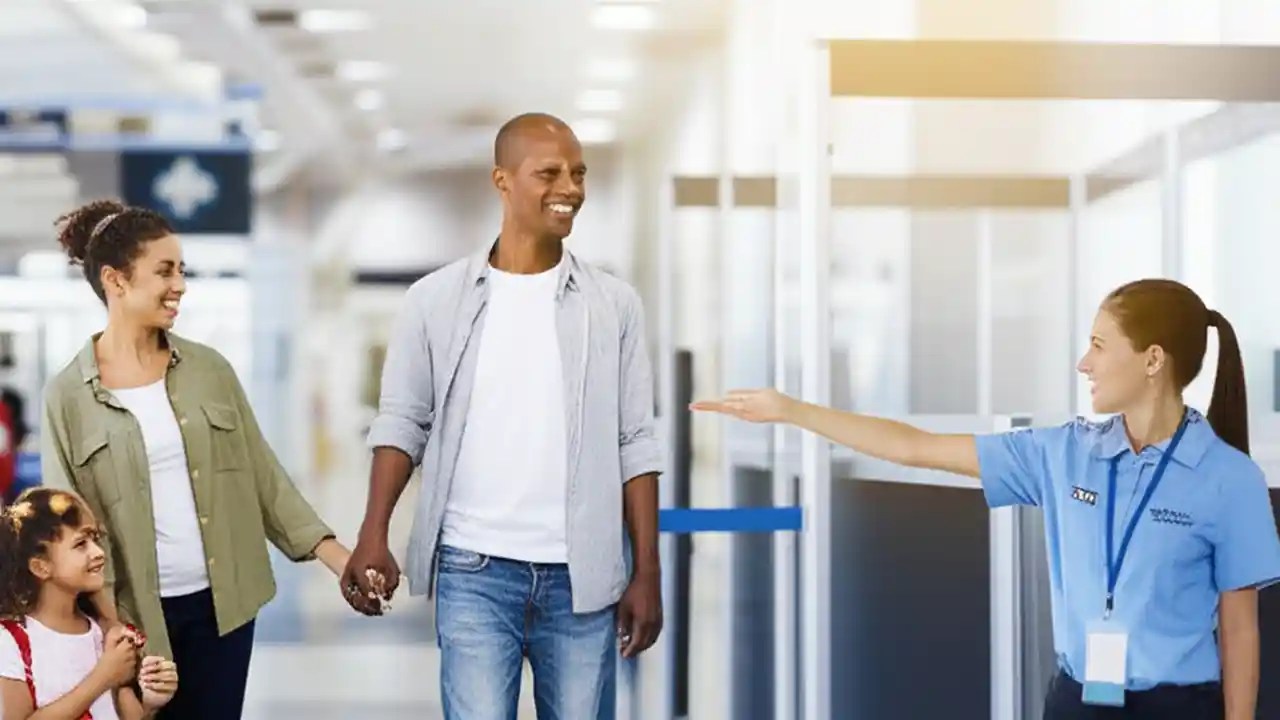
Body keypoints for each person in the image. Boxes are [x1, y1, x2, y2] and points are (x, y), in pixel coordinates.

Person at [694, 278, 1280, 720]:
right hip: (1077, 702)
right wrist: (790, 410)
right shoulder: (1063, 454)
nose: (1085, 362)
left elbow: (1240, 630)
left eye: (1101, 345)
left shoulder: (1229, 479)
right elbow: (914, 447)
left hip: (1177, 709)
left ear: (1153, 359)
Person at [342, 112, 664, 719]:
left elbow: (634, 441)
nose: (569, 188)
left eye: (578, 173)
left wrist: (646, 571)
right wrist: (372, 533)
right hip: (474, 570)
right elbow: (402, 422)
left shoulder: (613, 305)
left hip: (584, 577)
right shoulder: (434, 300)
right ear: (503, 181)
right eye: (549, 173)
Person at [40, 200, 352, 719]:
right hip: (131, 616)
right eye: (164, 271)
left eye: (181, 270)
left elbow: (261, 473)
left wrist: (338, 559)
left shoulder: (209, 370)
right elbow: (65, 526)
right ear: (116, 281)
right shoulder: (68, 396)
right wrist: (106, 623)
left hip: (224, 606)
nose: (179, 284)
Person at [0, 487, 179, 719]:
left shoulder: (104, 632)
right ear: (40, 567)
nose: (98, 553)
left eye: (95, 539)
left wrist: (151, 702)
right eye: (80, 544)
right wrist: (104, 676)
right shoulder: (11, 641)